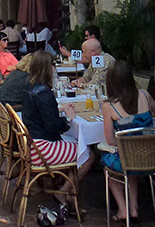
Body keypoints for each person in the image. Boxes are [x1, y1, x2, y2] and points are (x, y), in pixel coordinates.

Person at [21, 50, 94, 214]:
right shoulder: (43, 92)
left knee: (75, 142)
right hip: (42, 148)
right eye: (52, 65)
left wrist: (58, 109)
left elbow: (40, 112)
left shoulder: (29, 86)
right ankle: (64, 192)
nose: (54, 68)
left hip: (32, 142)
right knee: (87, 155)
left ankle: (66, 191)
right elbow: (53, 126)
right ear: (47, 68)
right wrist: (68, 118)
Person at [101, 60, 155, 223]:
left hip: (129, 159)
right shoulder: (144, 95)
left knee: (110, 165)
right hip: (151, 158)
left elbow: (110, 139)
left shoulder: (108, 106)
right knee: (130, 159)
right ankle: (133, 207)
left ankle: (123, 209)